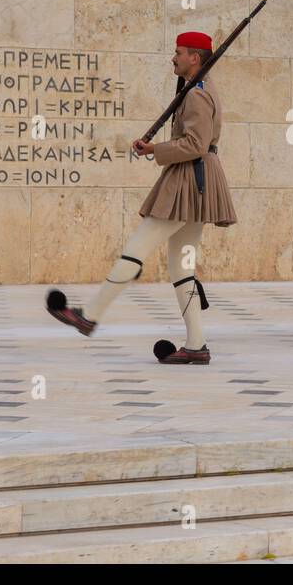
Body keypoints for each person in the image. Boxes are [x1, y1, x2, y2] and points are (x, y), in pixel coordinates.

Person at [46, 31, 236, 364]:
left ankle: (89, 315)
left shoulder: (197, 95)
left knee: (138, 247)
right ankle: (196, 345)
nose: (173, 58)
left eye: (178, 53)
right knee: (182, 266)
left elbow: (195, 145)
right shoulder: (199, 90)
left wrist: (155, 149)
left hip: (188, 180)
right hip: (198, 179)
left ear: (195, 57)